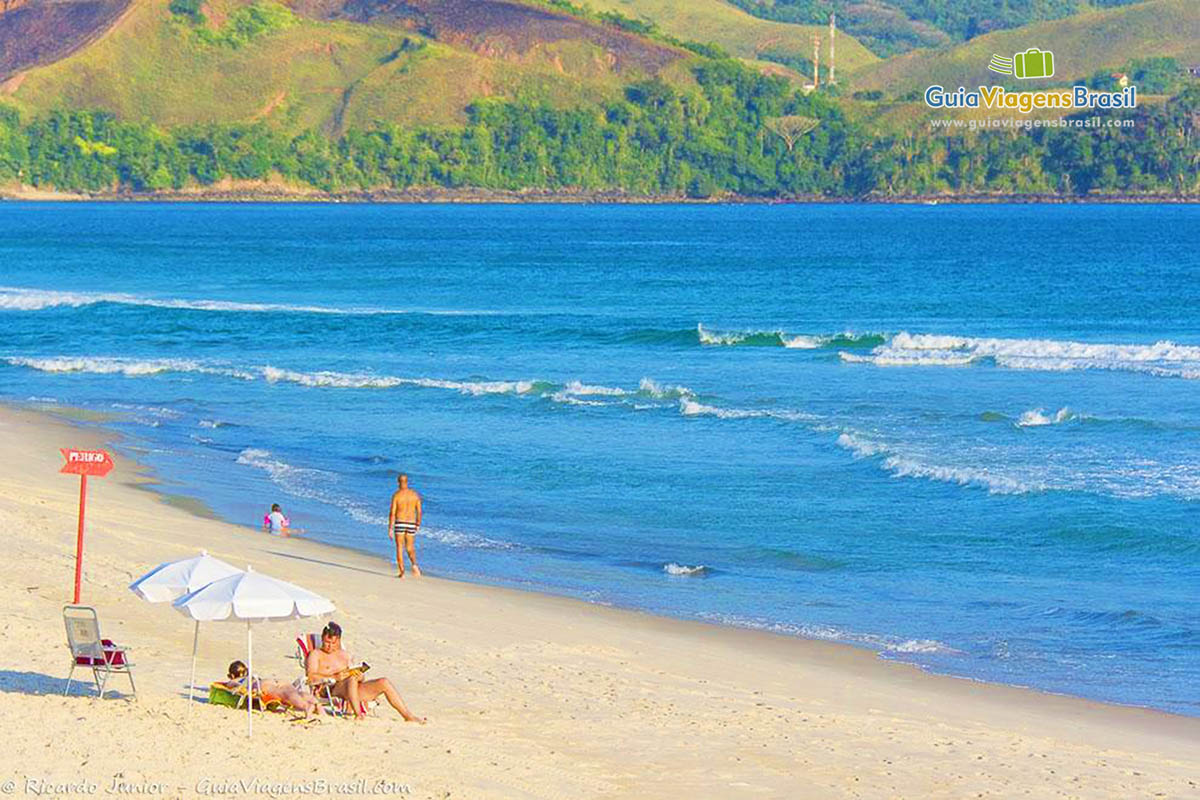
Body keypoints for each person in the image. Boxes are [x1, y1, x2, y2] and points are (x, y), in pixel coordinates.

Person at [304, 622, 425, 723]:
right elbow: (310, 677)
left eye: (333, 643)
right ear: (322, 639)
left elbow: (358, 678)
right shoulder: (316, 654)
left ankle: (408, 716)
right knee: (351, 679)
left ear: (339, 640)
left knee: (384, 682)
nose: (329, 646)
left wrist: (360, 676)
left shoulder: (345, 655)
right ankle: (359, 715)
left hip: (352, 690)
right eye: (326, 642)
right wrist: (335, 676)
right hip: (330, 689)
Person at [223, 660, 325, 718]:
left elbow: (230, 685)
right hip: (275, 680)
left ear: (232, 675)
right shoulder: (252, 676)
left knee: (285, 695)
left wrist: (231, 682)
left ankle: (306, 706)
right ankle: (317, 705)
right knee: (294, 692)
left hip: (264, 685)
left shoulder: (239, 680)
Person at [388, 474, 422, 578]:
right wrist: (418, 524)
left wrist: (390, 527)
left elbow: (392, 513)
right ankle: (414, 565)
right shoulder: (415, 495)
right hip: (411, 522)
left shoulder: (397, 495)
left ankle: (402, 572)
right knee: (410, 547)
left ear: (398, 482)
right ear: (407, 482)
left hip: (400, 522)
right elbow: (419, 512)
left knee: (399, 547)